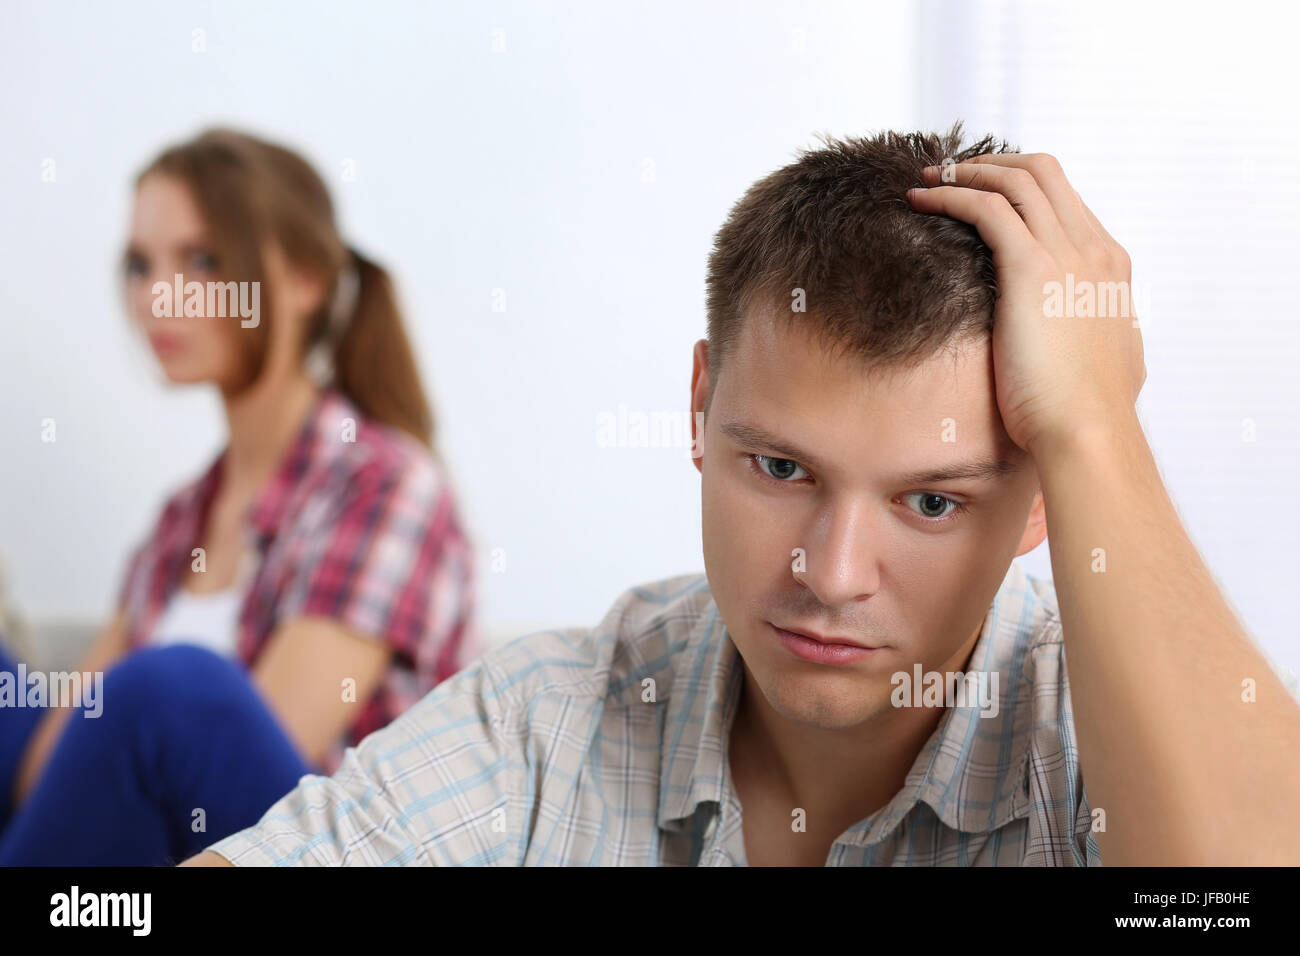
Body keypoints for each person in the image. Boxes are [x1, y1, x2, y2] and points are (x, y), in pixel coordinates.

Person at [185, 124, 1300, 867]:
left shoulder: (1080, 737)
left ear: (1042, 497)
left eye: (930, 503)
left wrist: (1097, 427)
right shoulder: (548, 721)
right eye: (781, 468)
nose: (831, 572)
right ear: (698, 405)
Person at [0, 128, 478, 865]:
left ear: (306, 279)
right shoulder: (181, 520)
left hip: (292, 853)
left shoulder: (384, 487)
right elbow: (48, 773)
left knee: (174, 689)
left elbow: (269, 807)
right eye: (139, 263)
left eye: (200, 260)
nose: (156, 296)